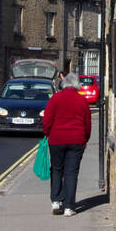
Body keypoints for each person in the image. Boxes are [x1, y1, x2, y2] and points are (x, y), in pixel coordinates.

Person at [41, 72, 91, 216]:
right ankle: (69, 207)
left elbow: (47, 120)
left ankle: (56, 201)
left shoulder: (55, 98)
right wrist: (85, 139)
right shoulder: (82, 101)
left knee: (56, 169)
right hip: (76, 141)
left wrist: (47, 133)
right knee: (71, 173)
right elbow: (87, 124)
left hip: (56, 140)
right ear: (76, 85)